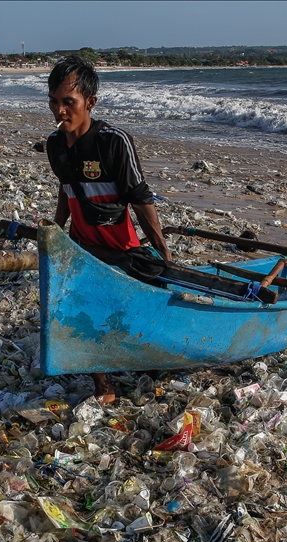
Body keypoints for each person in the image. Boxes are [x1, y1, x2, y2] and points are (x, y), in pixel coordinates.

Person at [43, 55, 172, 405]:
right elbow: (65, 189)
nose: (59, 112)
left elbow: (142, 199)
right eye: (54, 102)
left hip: (124, 248)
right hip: (83, 247)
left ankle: (153, 361)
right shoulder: (55, 146)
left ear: (90, 102)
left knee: (144, 308)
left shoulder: (114, 142)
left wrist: (164, 252)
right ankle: (103, 384)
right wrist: (54, 232)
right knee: (82, 311)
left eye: (68, 103)